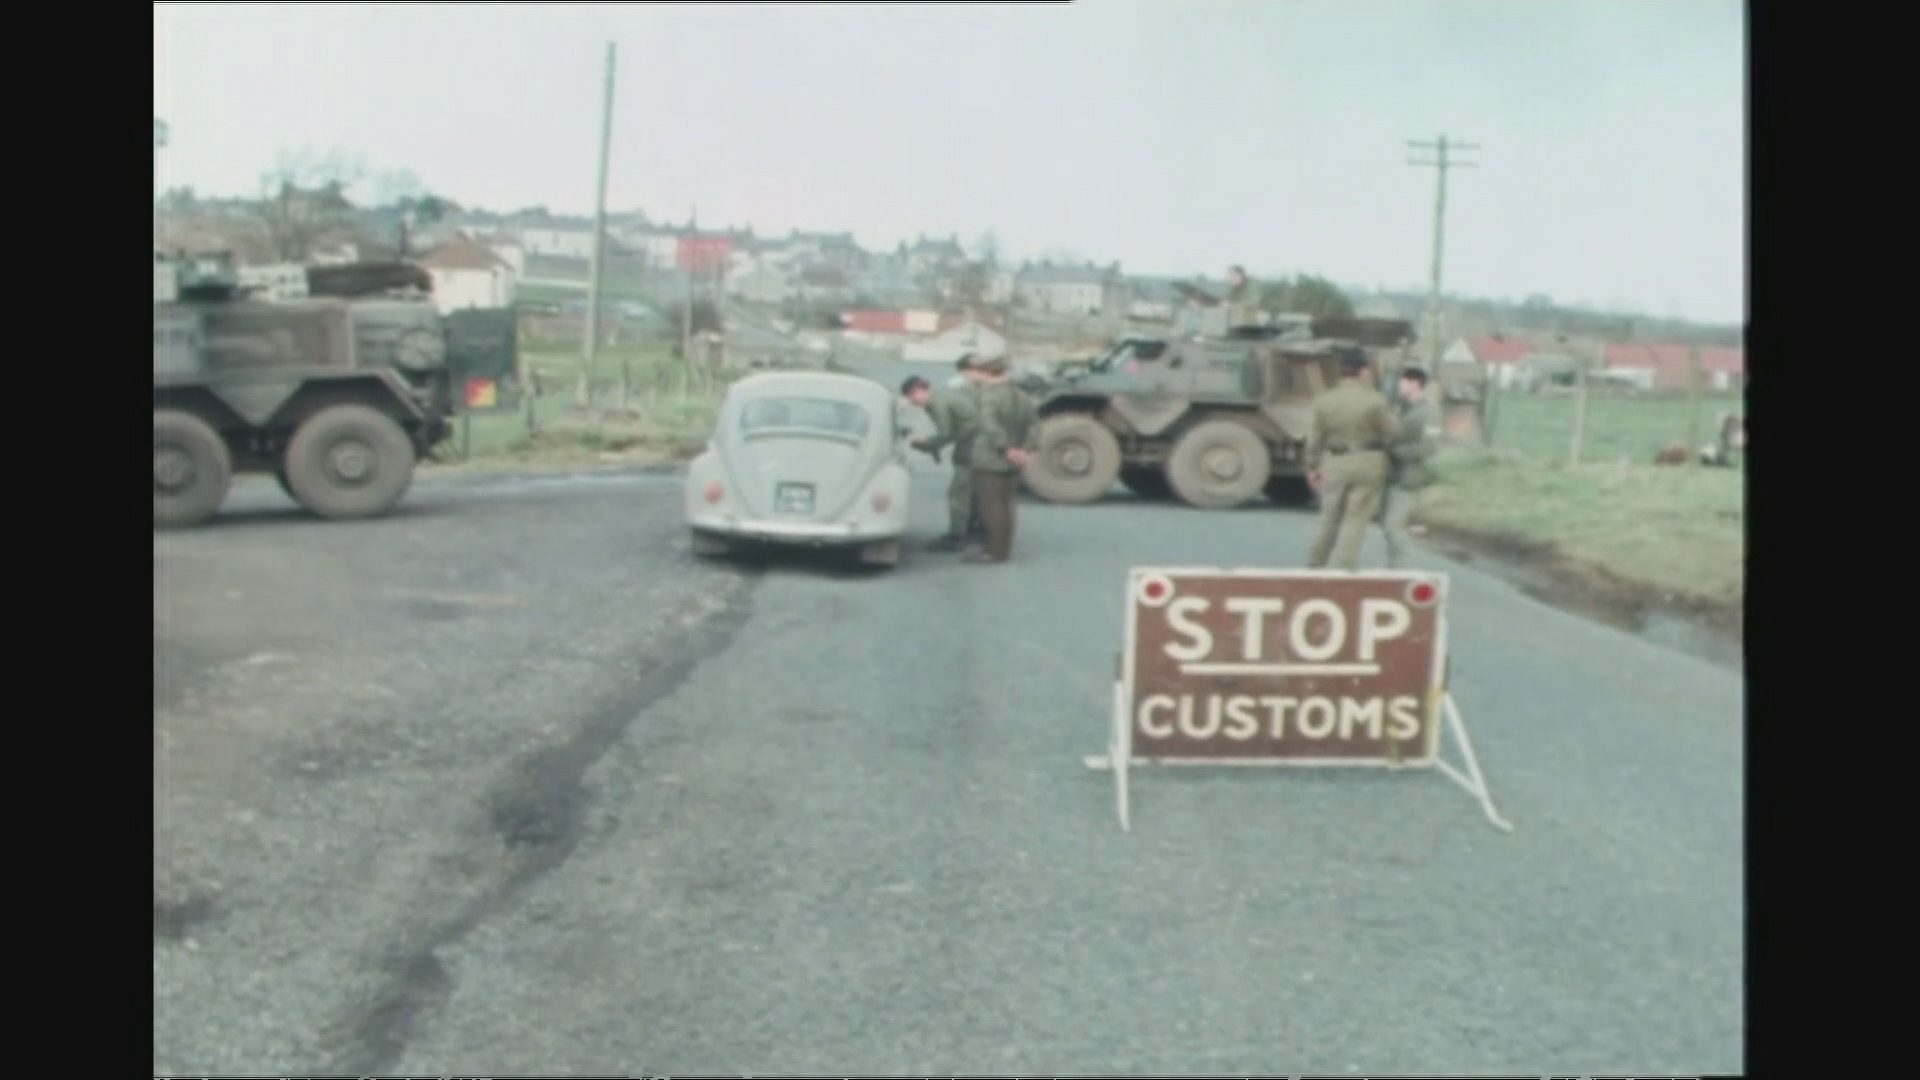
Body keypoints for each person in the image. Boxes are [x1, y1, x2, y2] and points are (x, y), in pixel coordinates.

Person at [1305, 347, 1401, 571]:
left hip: (1335, 462)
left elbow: (1314, 438)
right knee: (1356, 517)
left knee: (1329, 516)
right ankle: (1345, 566)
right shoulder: (1374, 401)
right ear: (1363, 371)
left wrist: (1312, 466)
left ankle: (1315, 562)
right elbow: (1393, 433)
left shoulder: (1324, 401)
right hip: (1369, 461)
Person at [965, 356, 1040, 564]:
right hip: (1015, 460)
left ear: (985, 372)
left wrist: (1005, 448)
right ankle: (1004, 549)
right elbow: (1034, 425)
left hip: (990, 458)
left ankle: (994, 552)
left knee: (991, 507)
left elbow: (990, 426)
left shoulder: (987, 397)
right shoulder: (1022, 396)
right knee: (1008, 506)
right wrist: (1025, 450)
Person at [901, 363, 982, 551]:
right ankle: (976, 530)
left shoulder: (936, 403)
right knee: (975, 491)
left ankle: (957, 536)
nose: (912, 402)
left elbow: (945, 433)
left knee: (958, 492)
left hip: (972, 446)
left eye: (911, 397)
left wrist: (925, 444)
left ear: (918, 391)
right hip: (976, 443)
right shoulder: (943, 396)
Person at [1378, 365, 1441, 568]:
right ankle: (1394, 567)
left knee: (1393, 526)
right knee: (1388, 525)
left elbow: (1430, 446)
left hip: (1409, 477)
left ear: (1415, 383)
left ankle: (1402, 568)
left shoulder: (1429, 412)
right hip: (1393, 474)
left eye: (1403, 382)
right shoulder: (1403, 408)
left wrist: (1398, 451)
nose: (1399, 386)